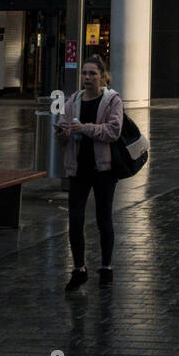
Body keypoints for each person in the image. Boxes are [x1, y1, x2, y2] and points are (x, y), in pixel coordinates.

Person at [56, 54, 124, 291]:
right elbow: (65, 128)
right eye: (84, 73)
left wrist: (85, 128)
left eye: (92, 73)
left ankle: (106, 267)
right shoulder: (73, 100)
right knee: (75, 220)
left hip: (103, 168)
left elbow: (114, 131)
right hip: (78, 168)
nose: (87, 77)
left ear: (103, 77)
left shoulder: (112, 100)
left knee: (104, 219)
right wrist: (63, 134)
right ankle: (79, 269)